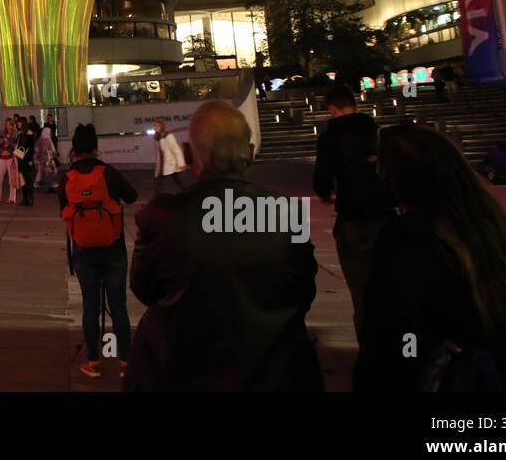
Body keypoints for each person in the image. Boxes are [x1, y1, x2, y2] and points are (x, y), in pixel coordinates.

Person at [126, 101, 323, 391]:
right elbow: (303, 292)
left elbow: (144, 288)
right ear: (251, 154)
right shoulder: (287, 212)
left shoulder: (161, 217)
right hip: (274, 373)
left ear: (189, 153)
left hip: (182, 371)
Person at [354, 124, 506, 391]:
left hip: (451, 374)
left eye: (382, 169)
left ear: (398, 177)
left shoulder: (407, 237)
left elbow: (390, 326)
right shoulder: (481, 219)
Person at [313, 85, 394, 337]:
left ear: (333, 109)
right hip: (386, 216)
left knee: (361, 290)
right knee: (391, 285)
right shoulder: (379, 134)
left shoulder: (329, 138)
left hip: (353, 218)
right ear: (355, 105)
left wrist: (326, 193)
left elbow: (322, 181)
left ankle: (370, 348)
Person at [59, 123, 138, 379]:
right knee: (119, 305)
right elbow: (133, 196)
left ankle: (93, 361)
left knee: (90, 306)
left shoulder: (67, 178)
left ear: (75, 149)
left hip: (83, 250)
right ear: (95, 147)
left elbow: (63, 210)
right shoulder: (109, 173)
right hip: (113, 249)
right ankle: (125, 362)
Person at [152, 120, 188, 195]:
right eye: (154, 126)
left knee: (160, 181)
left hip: (170, 162)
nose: (154, 127)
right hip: (163, 162)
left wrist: (181, 163)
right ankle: (188, 193)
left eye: (156, 126)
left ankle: (157, 199)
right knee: (177, 180)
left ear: (161, 126)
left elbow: (176, 149)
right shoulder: (158, 137)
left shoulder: (168, 136)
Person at [13, 115, 38, 206]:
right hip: (21, 160)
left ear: (23, 123)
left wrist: (18, 154)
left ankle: (30, 199)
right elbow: (20, 146)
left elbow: (30, 149)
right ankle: (25, 199)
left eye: (19, 122)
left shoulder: (29, 134)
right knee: (23, 181)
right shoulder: (21, 134)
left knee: (29, 181)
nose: (17, 124)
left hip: (27, 161)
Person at [0, 119, 19, 203]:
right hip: (2, 158)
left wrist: (9, 142)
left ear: (12, 125)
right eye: (6, 124)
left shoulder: (15, 134)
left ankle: (12, 198)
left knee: (11, 179)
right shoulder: (2, 133)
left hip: (11, 157)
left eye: (9, 124)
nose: (8, 126)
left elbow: (17, 147)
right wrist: (1, 142)